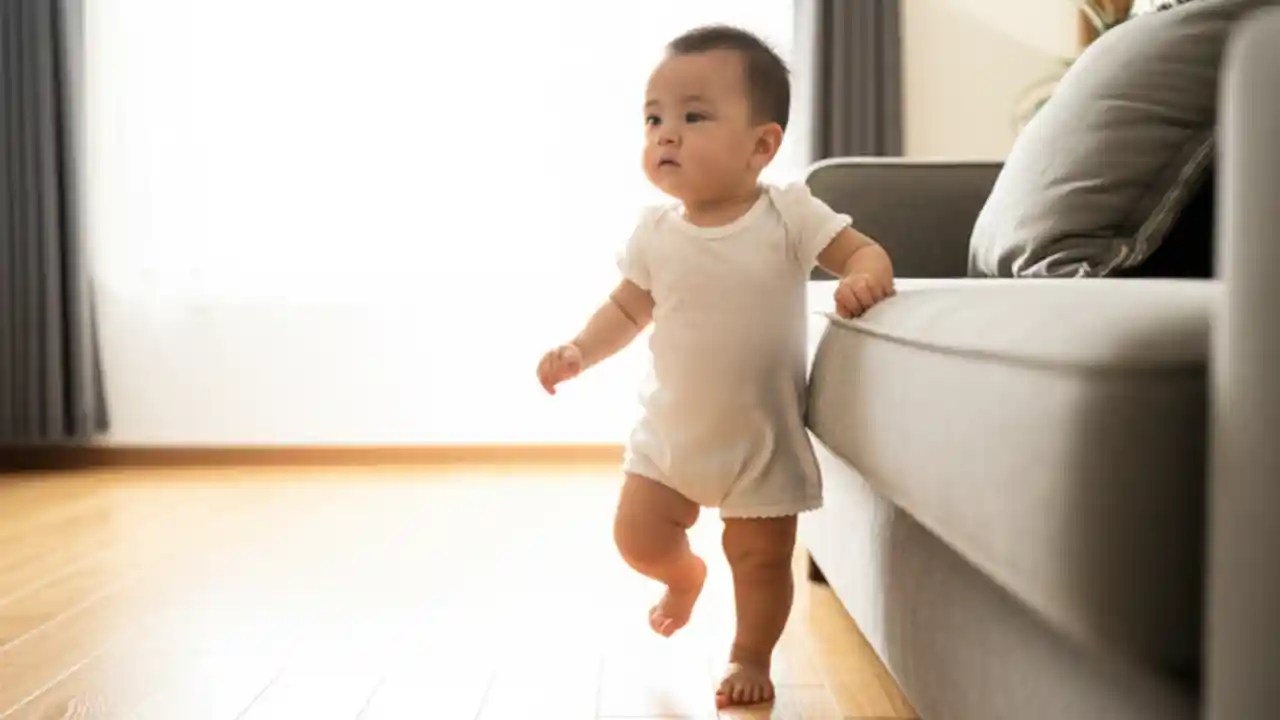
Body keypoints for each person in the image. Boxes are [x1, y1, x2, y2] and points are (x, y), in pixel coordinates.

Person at [536, 24, 895, 708]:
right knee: (635, 536)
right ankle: (682, 577)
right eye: (654, 118)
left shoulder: (787, 214)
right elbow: (625, 309)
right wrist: (580, 350)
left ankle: (749, 652)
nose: (666, 134)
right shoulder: (654, 233)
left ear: (761, 145)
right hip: (671, 436)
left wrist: (865, 277)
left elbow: (861, 252)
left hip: (762, 442)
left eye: (693, 116)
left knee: (760, 563)